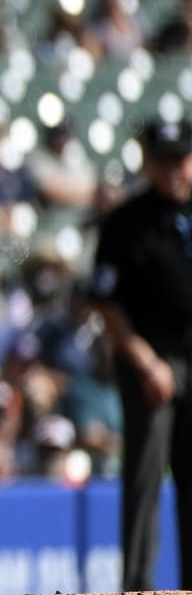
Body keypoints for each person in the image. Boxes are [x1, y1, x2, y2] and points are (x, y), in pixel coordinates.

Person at [90, 116, 192, 591]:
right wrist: (145, 360)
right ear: (149, 163)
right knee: (146, 478)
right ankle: (138, 585)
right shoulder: (127, 222)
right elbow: (106, 301)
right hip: (151, 358)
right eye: (165, 160)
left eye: (182, 158)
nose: (175, 169)